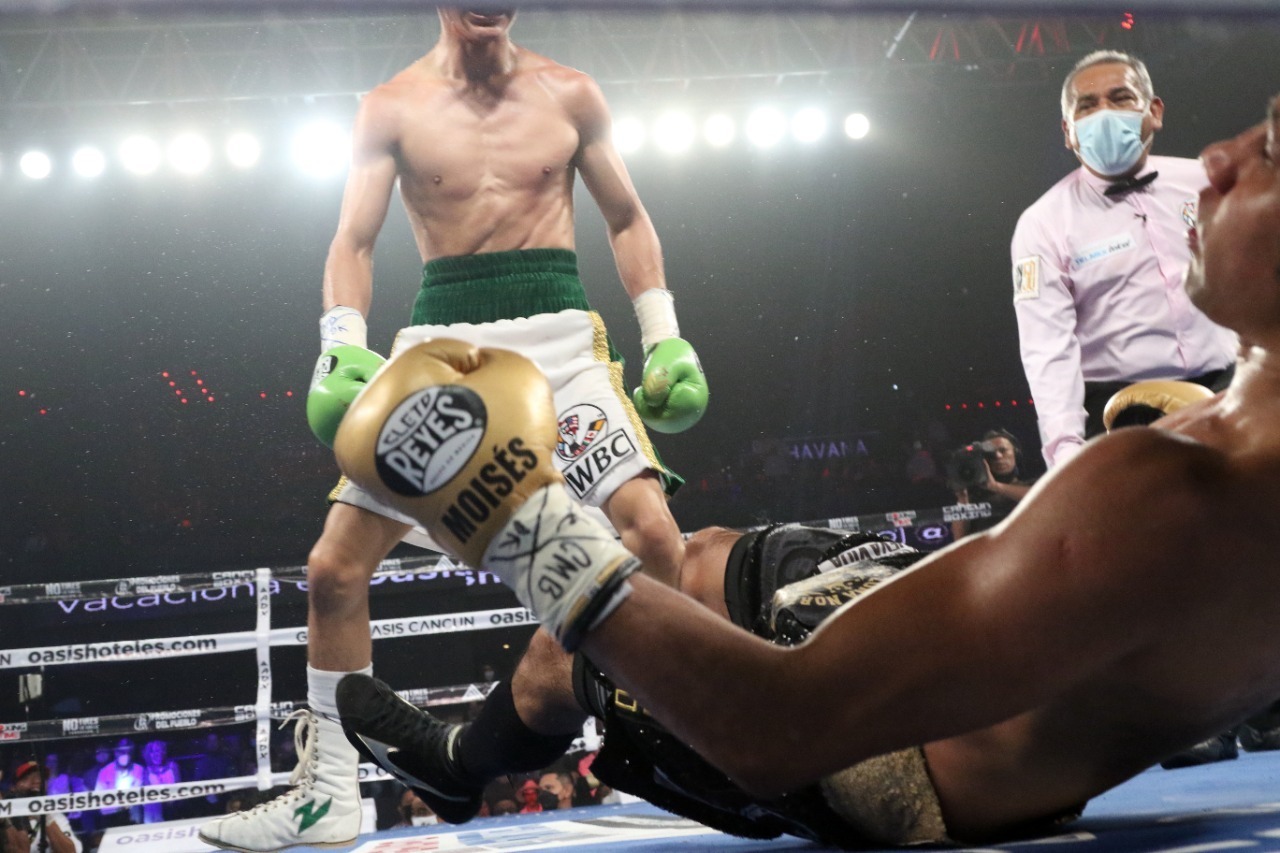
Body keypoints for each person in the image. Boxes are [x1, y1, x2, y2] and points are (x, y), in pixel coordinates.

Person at [331, 97, 1280, 846]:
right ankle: (463, 759)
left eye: (1274, 149)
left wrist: (521, 520)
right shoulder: (1217, 459)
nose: (1222, 158)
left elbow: (775, 731)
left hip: (896, 770)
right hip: (997, 747)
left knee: (637, 600)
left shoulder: (1179, 490)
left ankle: (462, 758)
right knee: (695, 555)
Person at [198, 8, 707, 852]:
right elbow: (353, 238)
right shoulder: (392, 105)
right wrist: (340, 346)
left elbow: (625, 217)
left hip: (560, 334)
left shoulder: (570, 92)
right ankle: (327, 796)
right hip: (442, 344)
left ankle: (648, 735)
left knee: (652, 533)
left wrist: (664, 334)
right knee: (333, 568)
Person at [1012, 49, 1237, 470]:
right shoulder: (1043, 223)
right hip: (1119, 410)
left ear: (1154, 111)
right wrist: (1065, 453)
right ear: (1068, 131)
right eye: (1088, 104)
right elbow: (1047, 347)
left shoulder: (1207, 183)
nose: (1104, 113)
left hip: (1228, 389)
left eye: (1120, 97)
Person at [948, 429, 1034, 540]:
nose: (998, 456)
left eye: (1003, 450)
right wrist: (962, 500)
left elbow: (1040, 496)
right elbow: (959, 538)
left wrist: (995, 486)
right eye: (991, 454)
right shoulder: (975, 499)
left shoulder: (1033, 486)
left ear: (1015, 453)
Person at [7, 761, 83, 853]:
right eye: (27, 778)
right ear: (13, 787)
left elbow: (71, 852)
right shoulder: (5, 817)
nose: (37, 781)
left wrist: (46, 819)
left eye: (41, 778)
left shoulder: (54, 816)